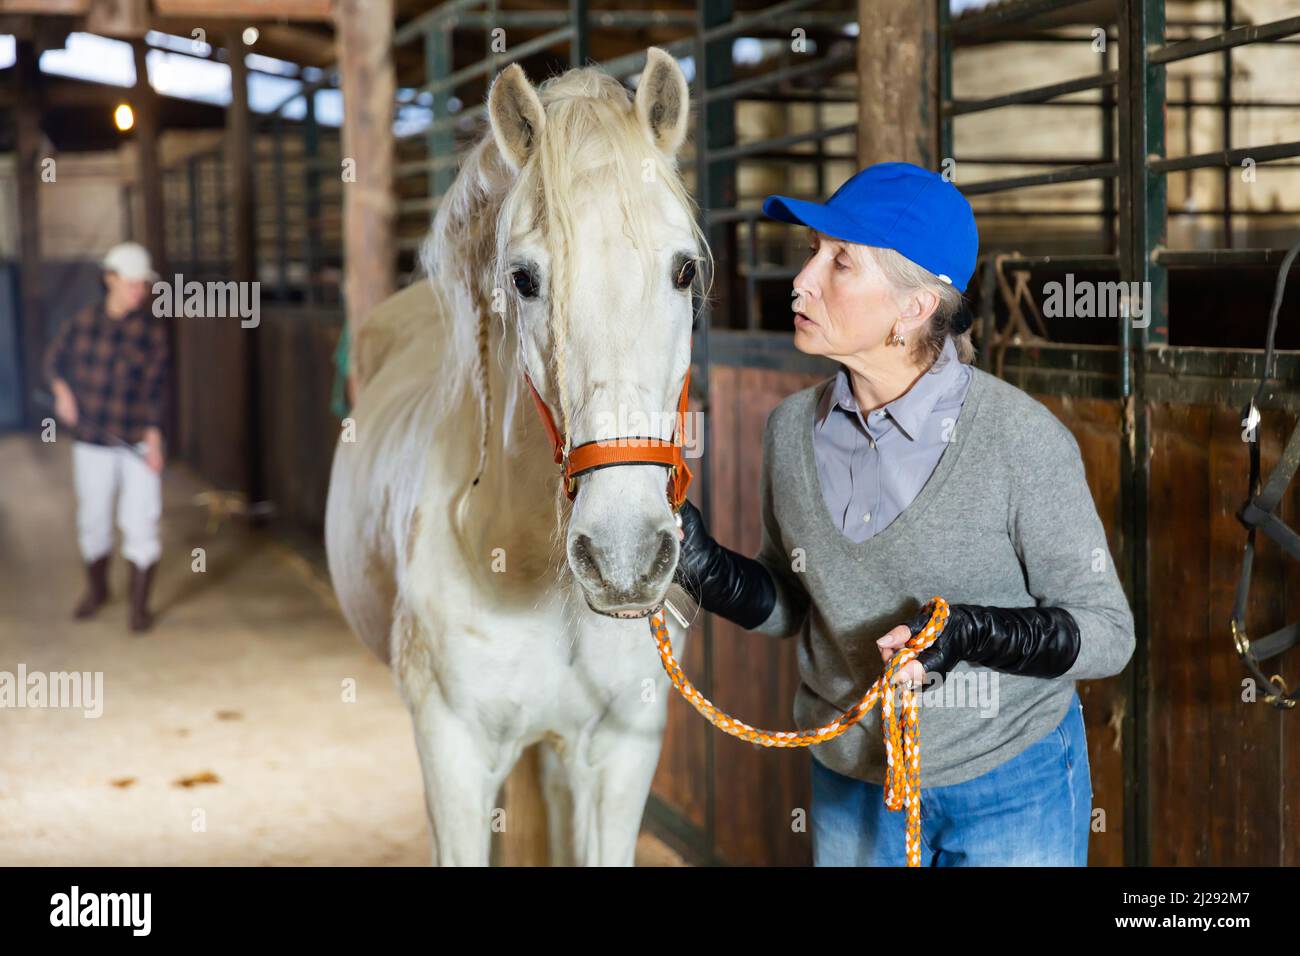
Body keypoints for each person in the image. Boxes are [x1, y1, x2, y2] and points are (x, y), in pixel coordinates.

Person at [675, 162, 1135, 866]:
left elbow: (1109, 634)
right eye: (812, 254)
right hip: (852, 784)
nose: (802, 282)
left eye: (841, 262)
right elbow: (798, 605)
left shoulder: (1020, 439)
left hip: (1011, 784)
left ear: (914, 306)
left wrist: (972, 634)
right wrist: (706, 570)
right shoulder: (789, 431)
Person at [44, 241, 170, 633]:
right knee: (94, 518)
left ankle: (139, 608)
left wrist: (154, 438)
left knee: (142, 521)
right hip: (92, 441)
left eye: (143, 285)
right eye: (131, 283)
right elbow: (53, 362)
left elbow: (158, 389)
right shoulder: (83, 322)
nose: (139, 291)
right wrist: (62, 392)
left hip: (135, 440)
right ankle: (96, 590)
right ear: (110, 279)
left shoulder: (151, 333)